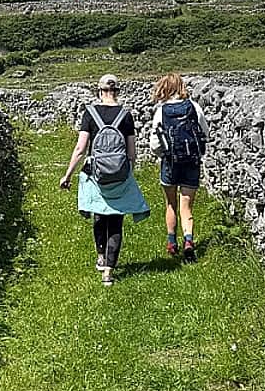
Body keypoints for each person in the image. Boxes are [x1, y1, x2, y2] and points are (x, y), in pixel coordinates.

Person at [60, 74, 150, 286]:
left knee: (100, 216)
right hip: (119, 174)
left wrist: (68, 174)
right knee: (116, 220)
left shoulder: (90, 114)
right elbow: (131, 151)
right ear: (117, 91)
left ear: (99, 91)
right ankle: (109, 271)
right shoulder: (126, 115)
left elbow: (81, 148)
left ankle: (101, 255)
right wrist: (129, 174)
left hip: (96, 174)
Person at [149, 73, 209, 262]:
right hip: (191, 161)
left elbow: (154, 143)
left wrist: (164, 155)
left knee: (171, 204)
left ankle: (172, 242)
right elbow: (204, 133)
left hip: (170, 163)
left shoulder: (162, 111)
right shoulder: (194, 107)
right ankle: (189, 241)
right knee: (187, 206)